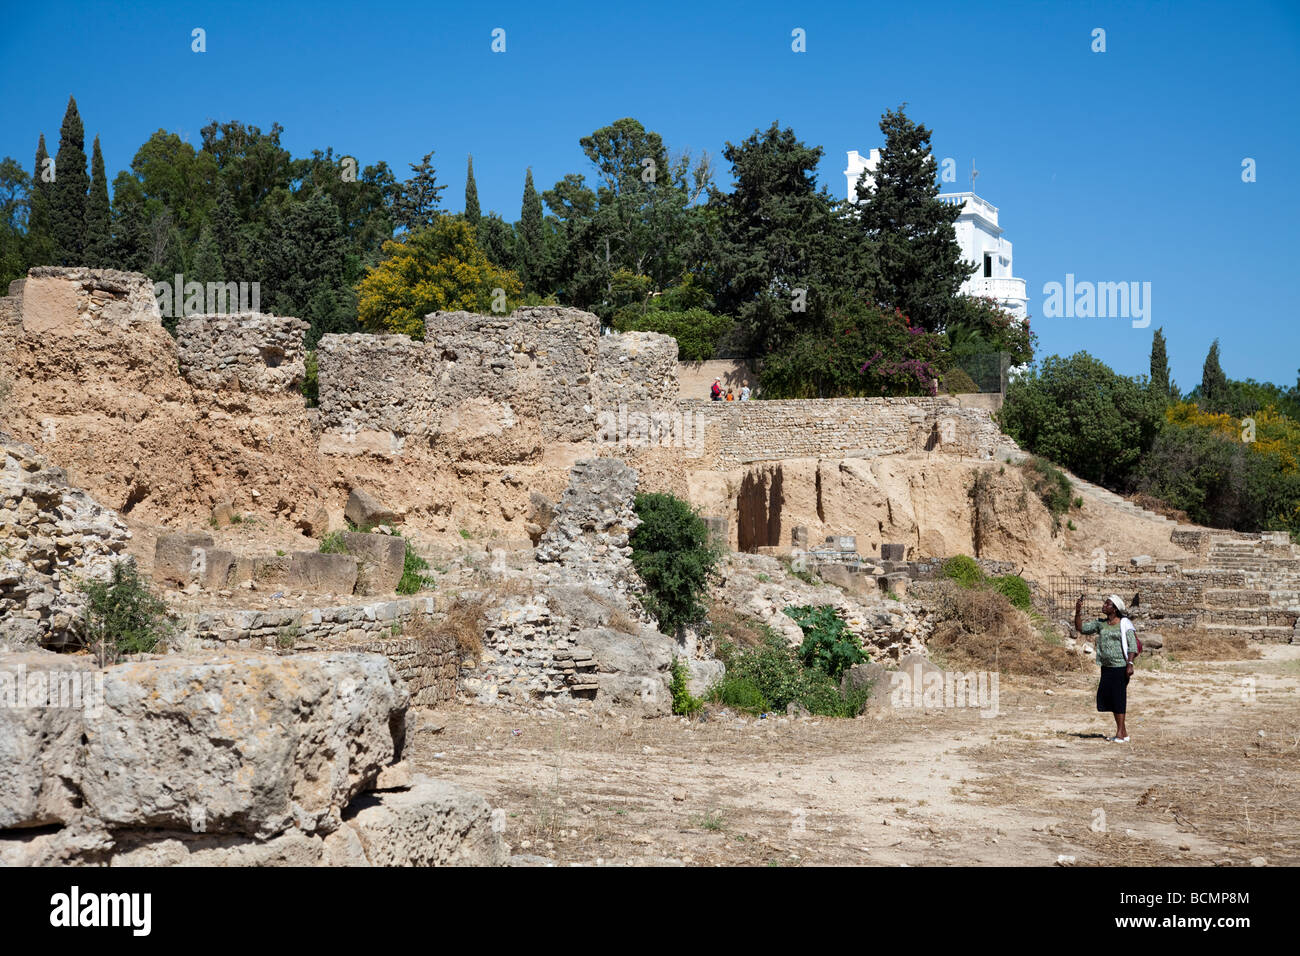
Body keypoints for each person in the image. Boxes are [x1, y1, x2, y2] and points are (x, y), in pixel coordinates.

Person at [1075, 593, 1137, 743]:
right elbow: (1081, 628)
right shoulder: (1101, 624)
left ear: (1115, 609)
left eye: (1107, 604)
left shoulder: (1124, 624)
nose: (1104, 606)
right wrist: (1078, 611)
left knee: (1118, 699)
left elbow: (1132, 645)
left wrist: (1130, 664)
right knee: (1110, 699)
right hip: (1106, 667)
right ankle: (1123, 732)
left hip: (1120, 666)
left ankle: (1120, 734)